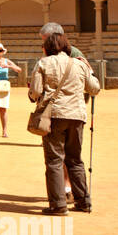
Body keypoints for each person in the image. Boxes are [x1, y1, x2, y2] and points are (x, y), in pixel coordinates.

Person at [29, 31, 101, 215]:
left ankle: (58, 204)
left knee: (54, 160)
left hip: (53, 117)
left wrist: (33, 97)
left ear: (48, 47)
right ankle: (83, 201)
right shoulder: (78, 64)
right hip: (77, 116)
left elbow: (36, 91)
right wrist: (89, 70)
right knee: (75, 160)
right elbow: (95, 88)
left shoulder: (43, 63)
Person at [36, 22, 87, 196]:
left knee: (59, 157)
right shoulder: (63, 55)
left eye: (45, 41)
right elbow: (94, 85)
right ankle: (79, 197)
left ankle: (65, 190)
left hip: (59, 110)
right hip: (75, 111)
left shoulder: (74, 55)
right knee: (69, 157)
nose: (43, 46)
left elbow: (90, 79)